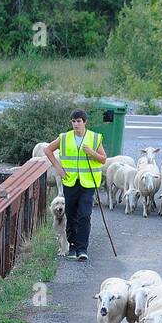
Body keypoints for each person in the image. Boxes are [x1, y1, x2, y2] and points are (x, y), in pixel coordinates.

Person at [44, 109, 107, 261]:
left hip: (88, 182)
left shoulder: (94, 138)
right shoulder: (65, 137)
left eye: (79, 121)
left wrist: (91, 152)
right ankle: (72, 247)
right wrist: (58, 168)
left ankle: (82, 249)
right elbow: (48, 150)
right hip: (70, 181)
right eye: (73, 121)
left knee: (85, 214)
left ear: (84, 122)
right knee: (71, 215)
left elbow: (103, 159)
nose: (76, 124)